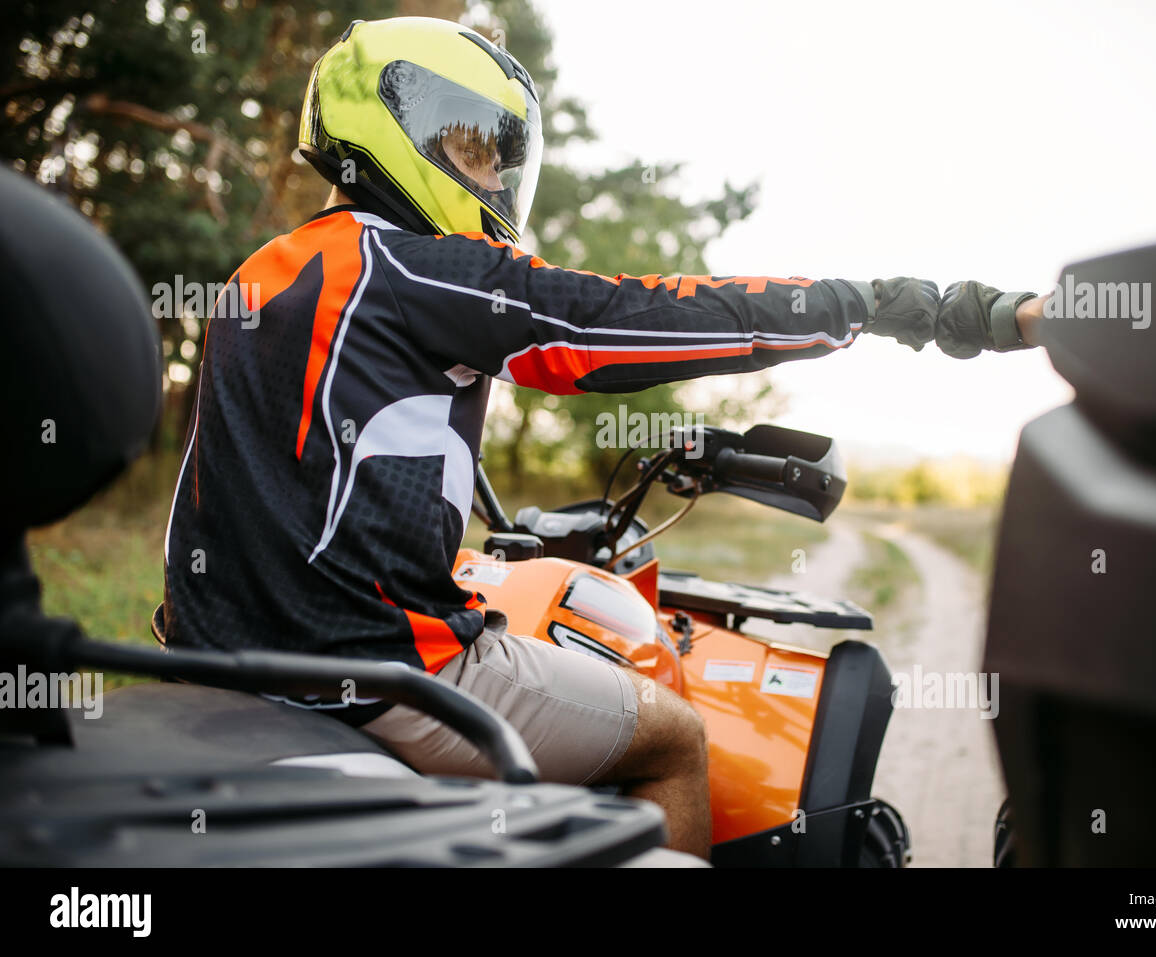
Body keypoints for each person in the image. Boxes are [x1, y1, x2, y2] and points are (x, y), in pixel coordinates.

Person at [162, 16, 1047, 860]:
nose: (499, 185)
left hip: (210, 655)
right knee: (674, 735)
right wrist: (890, 306)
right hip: (369, 668)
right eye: (477, 150)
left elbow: (299, 468)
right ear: (401, 128)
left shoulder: (262, 276)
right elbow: (635, 318)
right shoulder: (418, 270)